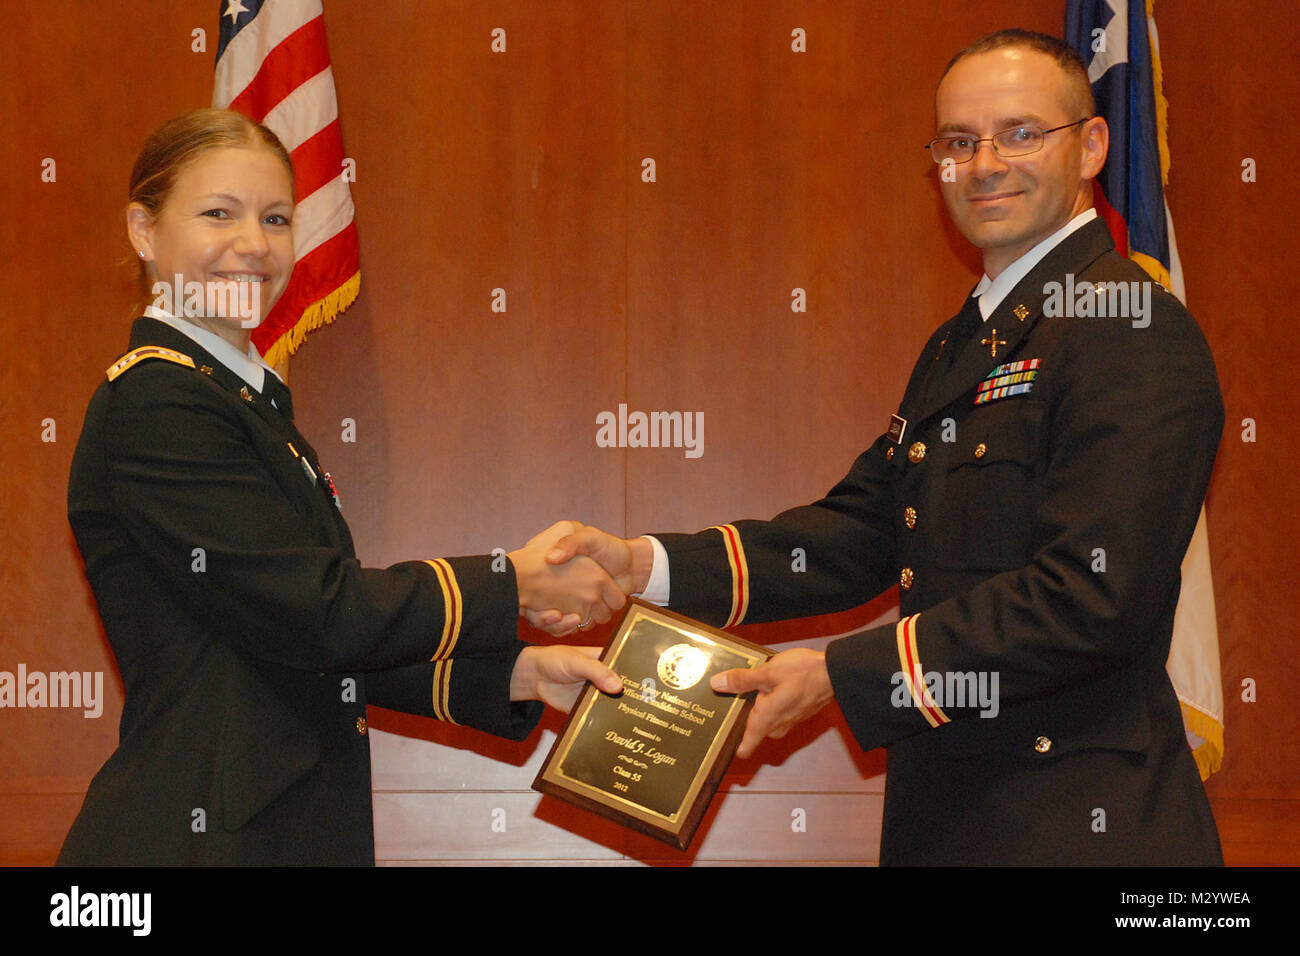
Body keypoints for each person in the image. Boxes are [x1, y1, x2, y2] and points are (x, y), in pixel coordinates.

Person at [541, 30, 1225, 865]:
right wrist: (642, 566)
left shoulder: (1131, 326)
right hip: (950, 816)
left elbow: (1092, 598)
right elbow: (860, 533)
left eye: (1020, 134)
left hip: (1080, 825)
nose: (985, 165)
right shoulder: (959, 342)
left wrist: (842, 675)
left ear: (1090, 146)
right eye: (958, 142)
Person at [59, 108, 624, 865]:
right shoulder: (160, 402)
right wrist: (508, 582)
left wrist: (516, 670)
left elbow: (296, 647)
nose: (254, 244)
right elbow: (318, 612)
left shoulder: (246, 406)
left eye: (277, 217)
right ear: (144, 230)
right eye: (217, 213)